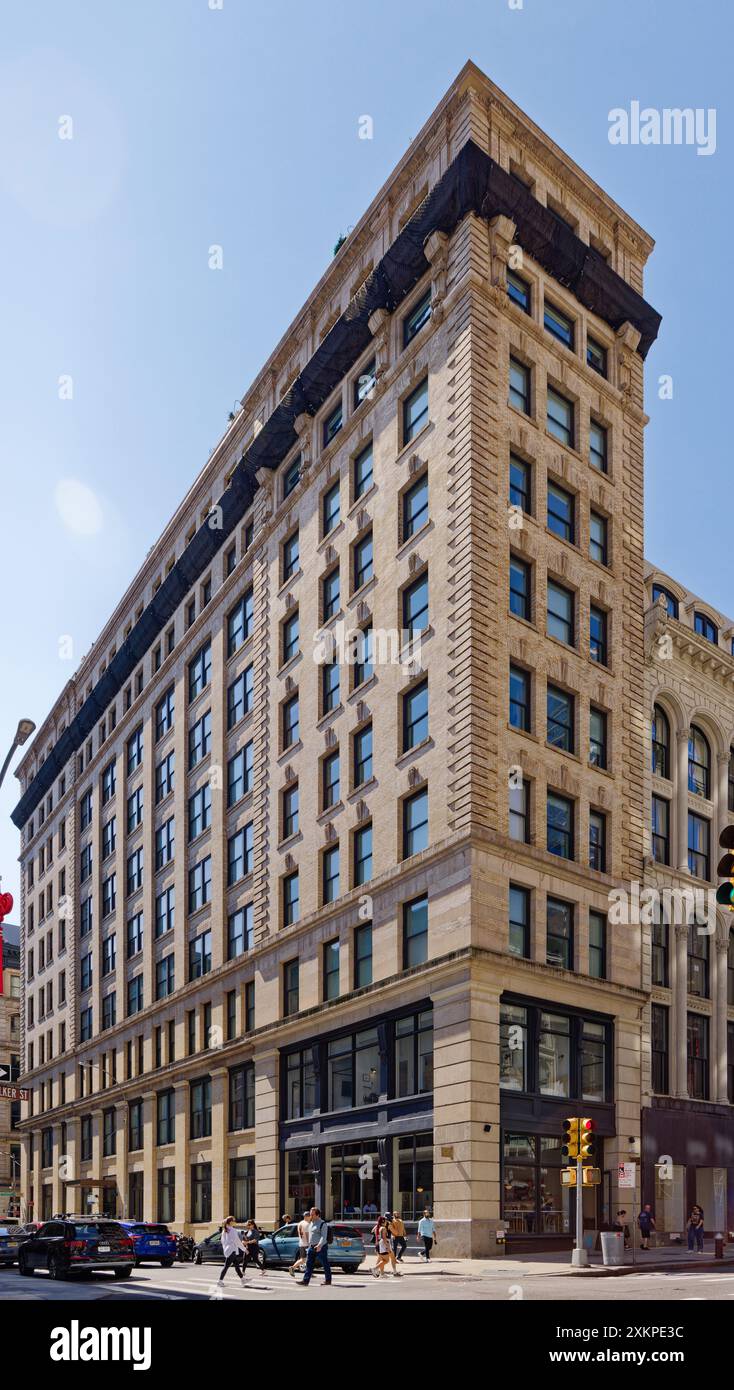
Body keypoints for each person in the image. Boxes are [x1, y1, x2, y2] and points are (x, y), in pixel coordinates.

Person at [299, 1207, 332, 1287]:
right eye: (310, 1214)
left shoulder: (322, 1224)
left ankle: (328, 1280)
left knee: (325, 1263)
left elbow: (323, 1237)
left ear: (317, 1215)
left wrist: (319, 1245)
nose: (310, 1216)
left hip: (321, 1247)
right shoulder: (311, 1223)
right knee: (309, 1264)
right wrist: (308, 1245)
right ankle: (305, 1281)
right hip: (311, 1247)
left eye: (312, 1214)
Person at [219, 1216, 246, 1284]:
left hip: (229, 1250)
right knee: (226, 1266)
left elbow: (222, 1241)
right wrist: (245, 1249)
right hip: (232, 1250)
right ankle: (220, 1281)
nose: (235, 1222)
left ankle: (243, 1280)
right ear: (230, 1222)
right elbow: (237, 1241)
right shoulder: (233, 1230)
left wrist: (225, 1249)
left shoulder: (224, 1230)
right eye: (234, 1221)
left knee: (236, 1266)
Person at [289, 1210, 312, 1277]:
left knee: (303, 1259)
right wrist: (309, 1244)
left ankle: (293, 1267)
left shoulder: (300, 1223)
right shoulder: (307, 1224)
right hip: (306, 1244)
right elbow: (307, 1234)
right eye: (310, 1216)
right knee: (308, 1259)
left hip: (301, 1243)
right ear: (307, 1216)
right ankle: (308, 1272)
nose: (311, 1217)